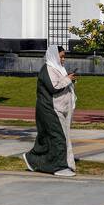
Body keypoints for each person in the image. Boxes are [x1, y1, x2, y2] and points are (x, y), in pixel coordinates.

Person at [23, 46, 79, 176]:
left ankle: (33, 159)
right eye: (61, 56)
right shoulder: (47, 69)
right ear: (54, 56)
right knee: (58, 137)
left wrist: (69, 79)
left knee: (50, 139)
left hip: (59, 108)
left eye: (64, 56)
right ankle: (59, 167)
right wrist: (68, 79)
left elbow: (61, 84)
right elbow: (54, 87)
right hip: (50, 109)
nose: (63, 59)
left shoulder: (57, 68)